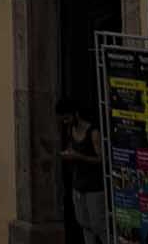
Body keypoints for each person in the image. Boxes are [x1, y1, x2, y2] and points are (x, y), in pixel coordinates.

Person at [60, 103, 106, 243]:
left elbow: (101, 159)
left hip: (94, 186)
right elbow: (71, 148)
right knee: (84, 223)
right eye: (63, 119)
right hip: (78, 185)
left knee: (98, 225)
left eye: (67, 118)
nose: (65, 122)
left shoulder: (93, 132)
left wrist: (80, 157)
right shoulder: (70, 130)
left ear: (76, 114)